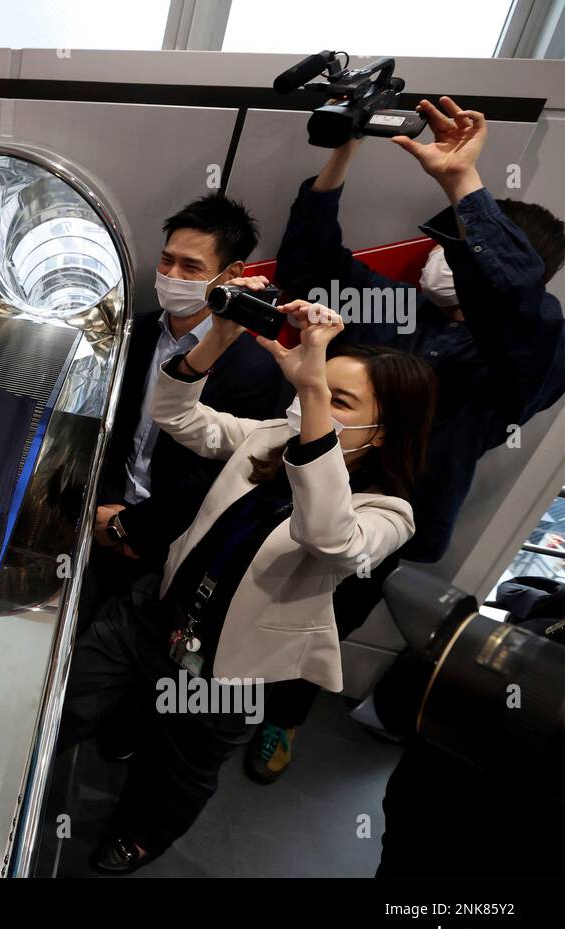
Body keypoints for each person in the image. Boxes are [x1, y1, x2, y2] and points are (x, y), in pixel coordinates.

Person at [58, 299, 438, 874]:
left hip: (235, 665)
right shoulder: (270, 439)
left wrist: (310, 392)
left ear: (384, 433)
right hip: (159, 609)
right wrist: (221, 335)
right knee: (71, 692)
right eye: (318, 388)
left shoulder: (389, 512)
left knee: (179, 766)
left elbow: (329, 535)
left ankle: (143, 835)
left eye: (339, 400)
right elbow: (177, 415)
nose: (315, 401)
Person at [248, 95, 565, 782]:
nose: (442, 257)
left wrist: (464, 187)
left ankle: (284, 719)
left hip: (382, 522)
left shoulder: (525, 361)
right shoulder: (398, 309)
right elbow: (310, 260)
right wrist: (346, 144)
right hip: (299, 478)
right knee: (250, 580)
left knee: (323, 623)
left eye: (463, 249)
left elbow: (515, 304)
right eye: (448, 238)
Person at [84, 194, 285, 630]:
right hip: (101, 519)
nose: (172, 276)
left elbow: (224, 471)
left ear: (232, 274)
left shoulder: (256, 366)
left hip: (169, 545)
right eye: (166, 261)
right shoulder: (134, 331)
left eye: (191, 267)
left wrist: (131, 526)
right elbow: (107, 427)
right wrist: (104, 508)